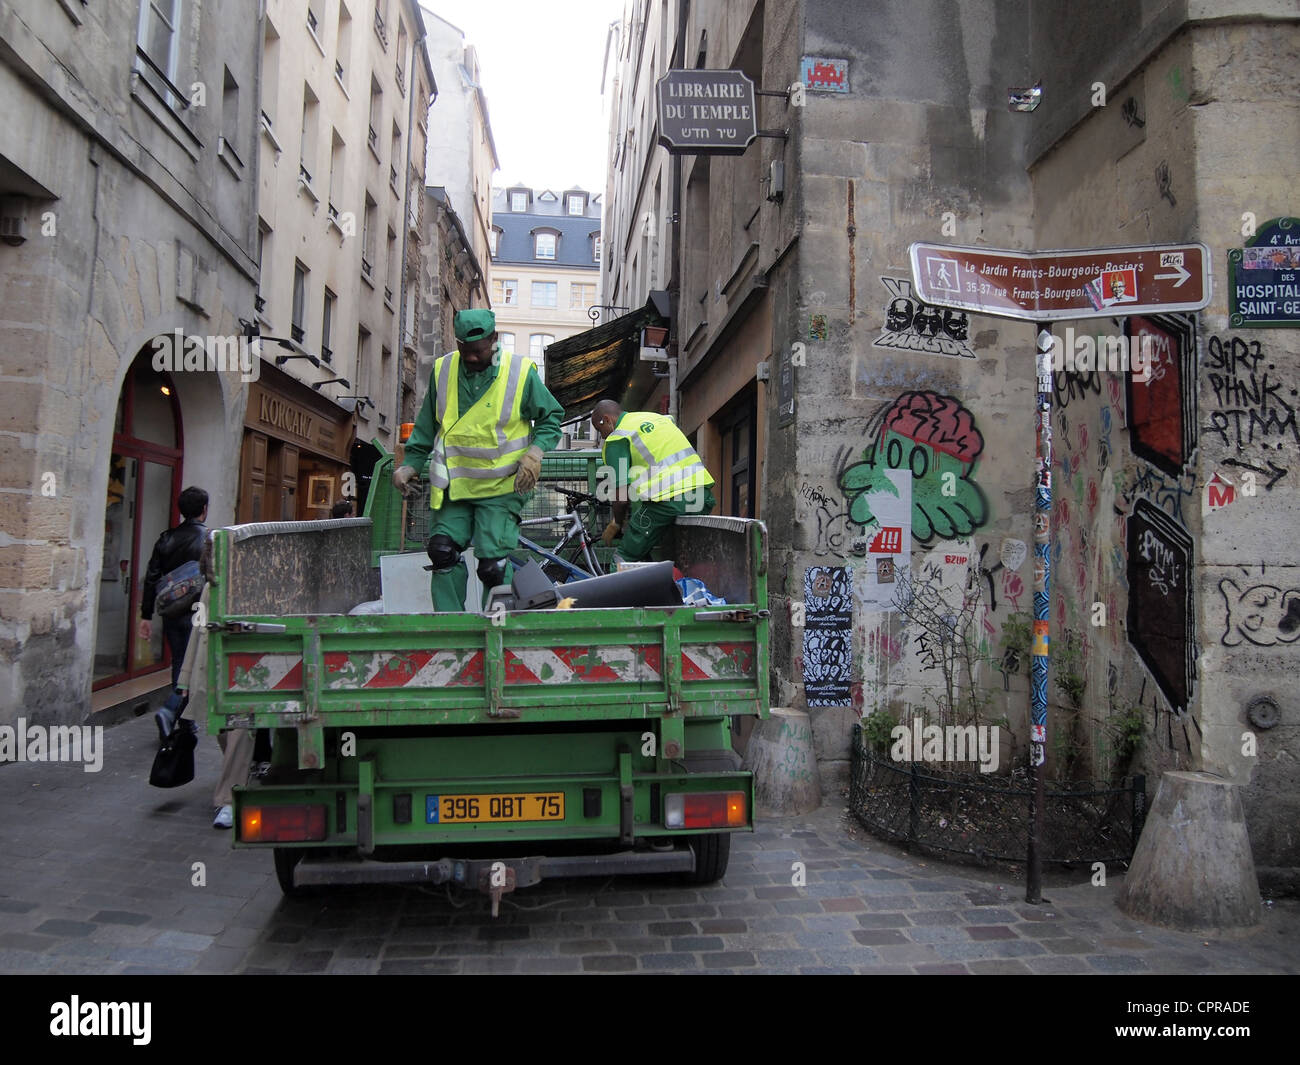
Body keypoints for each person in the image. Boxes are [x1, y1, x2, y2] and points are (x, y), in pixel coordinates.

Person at [393, 308, 564, 611]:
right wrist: (410, 465)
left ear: (493, 339)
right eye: (464, 350)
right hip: (454, 486)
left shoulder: (520, 372)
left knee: (492, 566)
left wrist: (534, 454)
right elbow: (425, 426)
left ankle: (497, 627)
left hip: (500, 487)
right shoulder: (443, 370)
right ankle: (450, 630)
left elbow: (551, 417)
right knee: (442, 551)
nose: (471, 358)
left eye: (478, 351)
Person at [591, 400, 716, 561]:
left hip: (668, 501)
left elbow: (621, 497)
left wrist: (616, 523)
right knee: (678, 555)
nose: (602, 436)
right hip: (701, 497)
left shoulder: (617, 437)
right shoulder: (656, 418)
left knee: (624, 557)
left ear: (607, 420)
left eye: (599, 429)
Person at [139, 486, 208, 741]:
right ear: (204, 510)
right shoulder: (209, 539)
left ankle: (184, 721)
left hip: (171, 612)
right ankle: (171, 711)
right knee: (195, 667)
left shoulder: (166, 538)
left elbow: (151, 578)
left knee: (180, 663)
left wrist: (146, 615)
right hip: (198, 612)